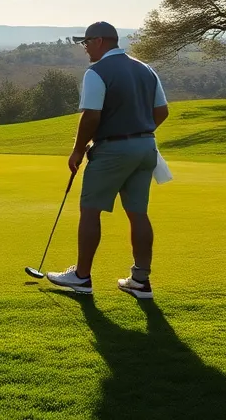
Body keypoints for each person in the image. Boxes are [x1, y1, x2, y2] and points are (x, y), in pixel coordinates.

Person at [48, 21, 170, 299]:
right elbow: (161, 111)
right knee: (138, 213)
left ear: (101, 41)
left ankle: (81, 277)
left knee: (90, 210)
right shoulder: (146, 69)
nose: (85, 48)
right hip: (146, 148)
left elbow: (91, 116)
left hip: (113, 150)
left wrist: (78, 150)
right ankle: (140, 281)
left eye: (87, 42)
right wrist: (139, 130)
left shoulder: (97, 72)